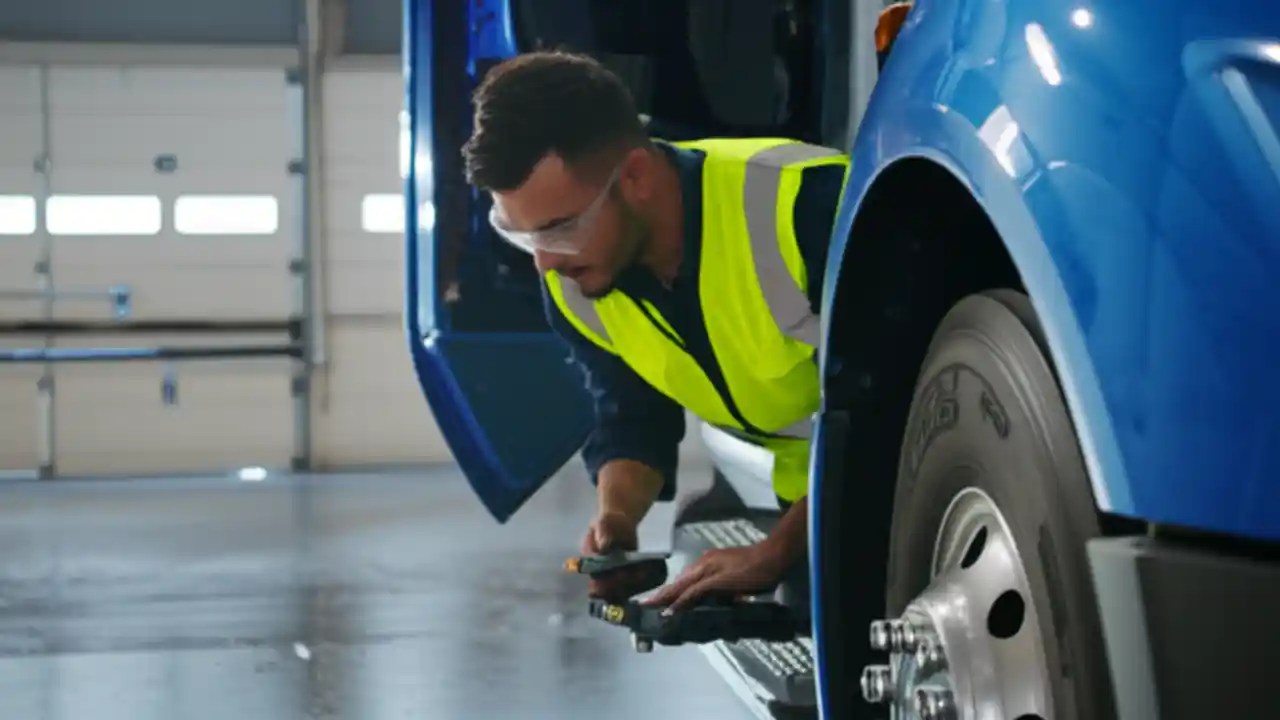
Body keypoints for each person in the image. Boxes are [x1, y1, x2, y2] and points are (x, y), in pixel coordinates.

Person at [461, 51, 847, 613]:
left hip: (912, 482)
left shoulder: (805, 209)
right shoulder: (578, 281)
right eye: (522, 239)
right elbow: (630, 413)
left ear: (636, 177)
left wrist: (777, 552)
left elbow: (896, 407)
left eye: (559, 229)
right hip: (811, 506)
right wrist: (617, 518)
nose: (544, 263)